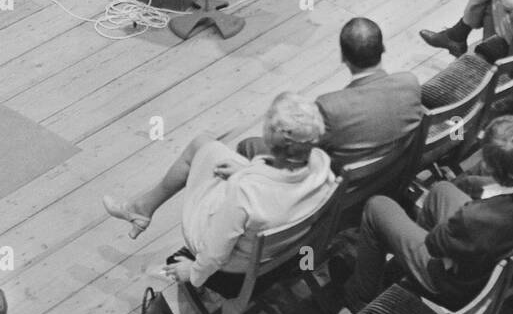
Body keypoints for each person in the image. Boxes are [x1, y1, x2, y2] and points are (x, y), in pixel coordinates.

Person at [101, 92, 338, 286]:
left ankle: (141, 209)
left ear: (269, 137)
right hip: (287, 241)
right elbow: (282, 187)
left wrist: (193, 273)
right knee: (209, 148)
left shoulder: (244, 191)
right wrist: (248, 170)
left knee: (200, 146)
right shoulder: (321, 166)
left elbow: (215, 254)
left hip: (237, 262)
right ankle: (141, 208)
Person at [334, 115, 513, 311]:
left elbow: (434, 244)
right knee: (441, 190)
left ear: (490, 166)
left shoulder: (473, 218)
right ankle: (408, 265)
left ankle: (361, 296)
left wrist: (450, 227)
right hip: (504, 260)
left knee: (377, 206)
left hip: (458, 287)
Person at [316, 17, 423, 166]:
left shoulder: (329, 108)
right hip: (401, 173)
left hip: (356, 188)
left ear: (343, 57)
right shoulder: (409, 82)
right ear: (383, 48)